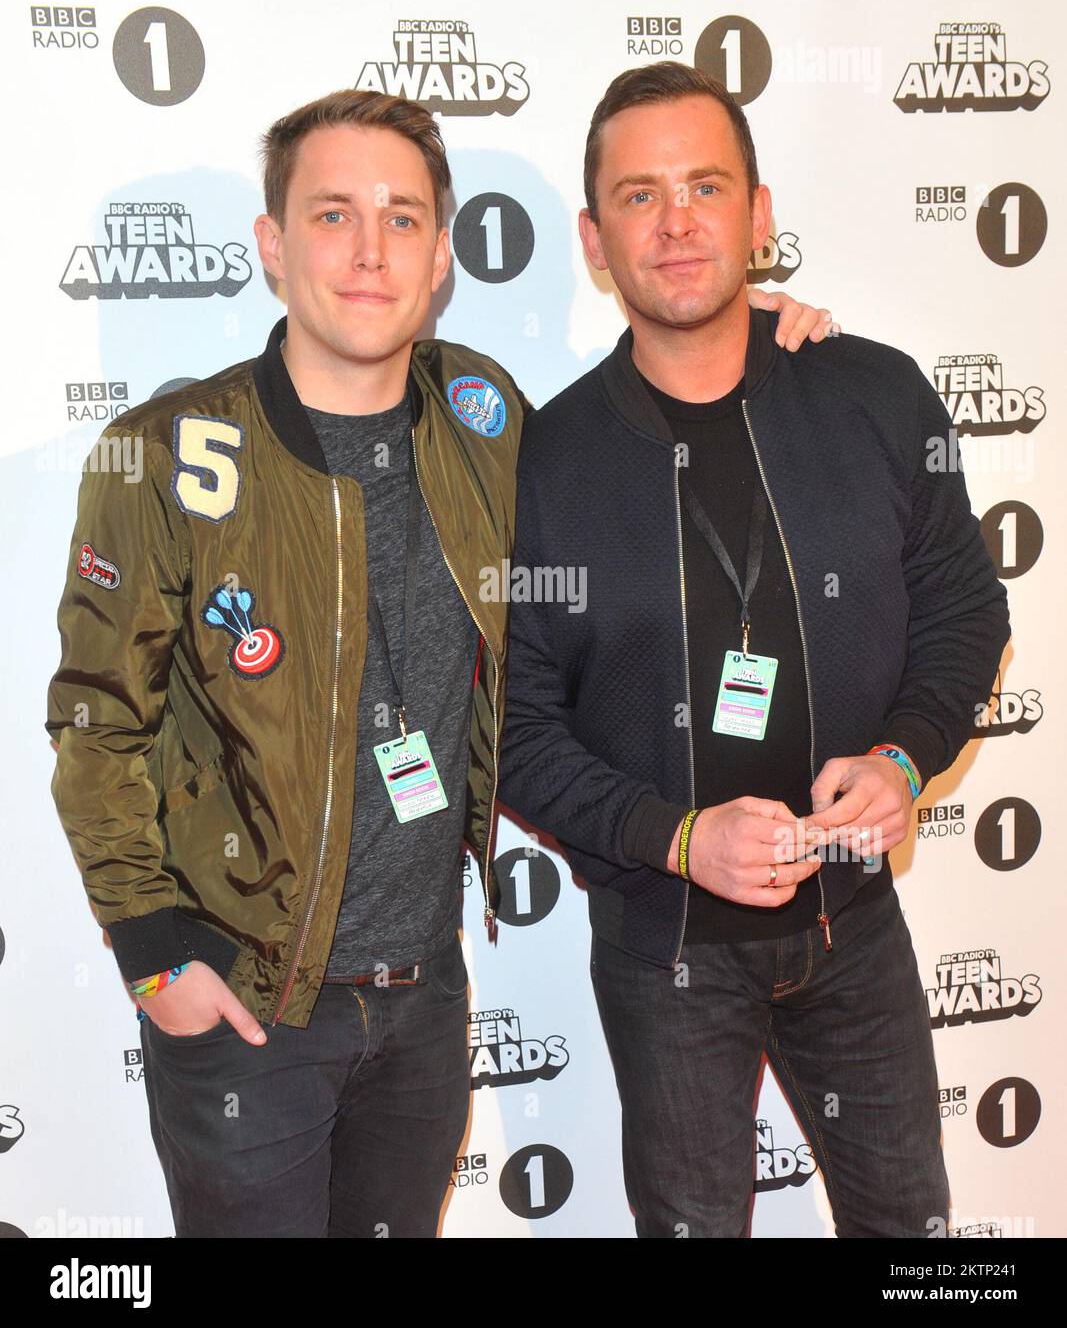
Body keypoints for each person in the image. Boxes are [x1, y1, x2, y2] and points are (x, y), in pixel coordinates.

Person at [45, 84, 832, 1238]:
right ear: (271, 245)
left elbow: (641, 415)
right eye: (332, 215)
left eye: (402, 217)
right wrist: (157, 956)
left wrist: (741, 327)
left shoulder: (488, 418)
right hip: (248, 1007)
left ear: (441, 253)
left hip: (425, 1000)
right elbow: (97, 720)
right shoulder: (163, 455)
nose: (369, 251)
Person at [497, 62, 1011, 1238]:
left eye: (704, 186)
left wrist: (905, 756)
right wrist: (676, 839)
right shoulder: (546, 460)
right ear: (592, 237)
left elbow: (961, 606)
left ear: (758, 215)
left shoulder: (872, 393)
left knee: (913, 1234)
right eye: (638, 195)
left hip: (853, 923)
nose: (675, 222)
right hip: (659, 945)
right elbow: (516, 731)